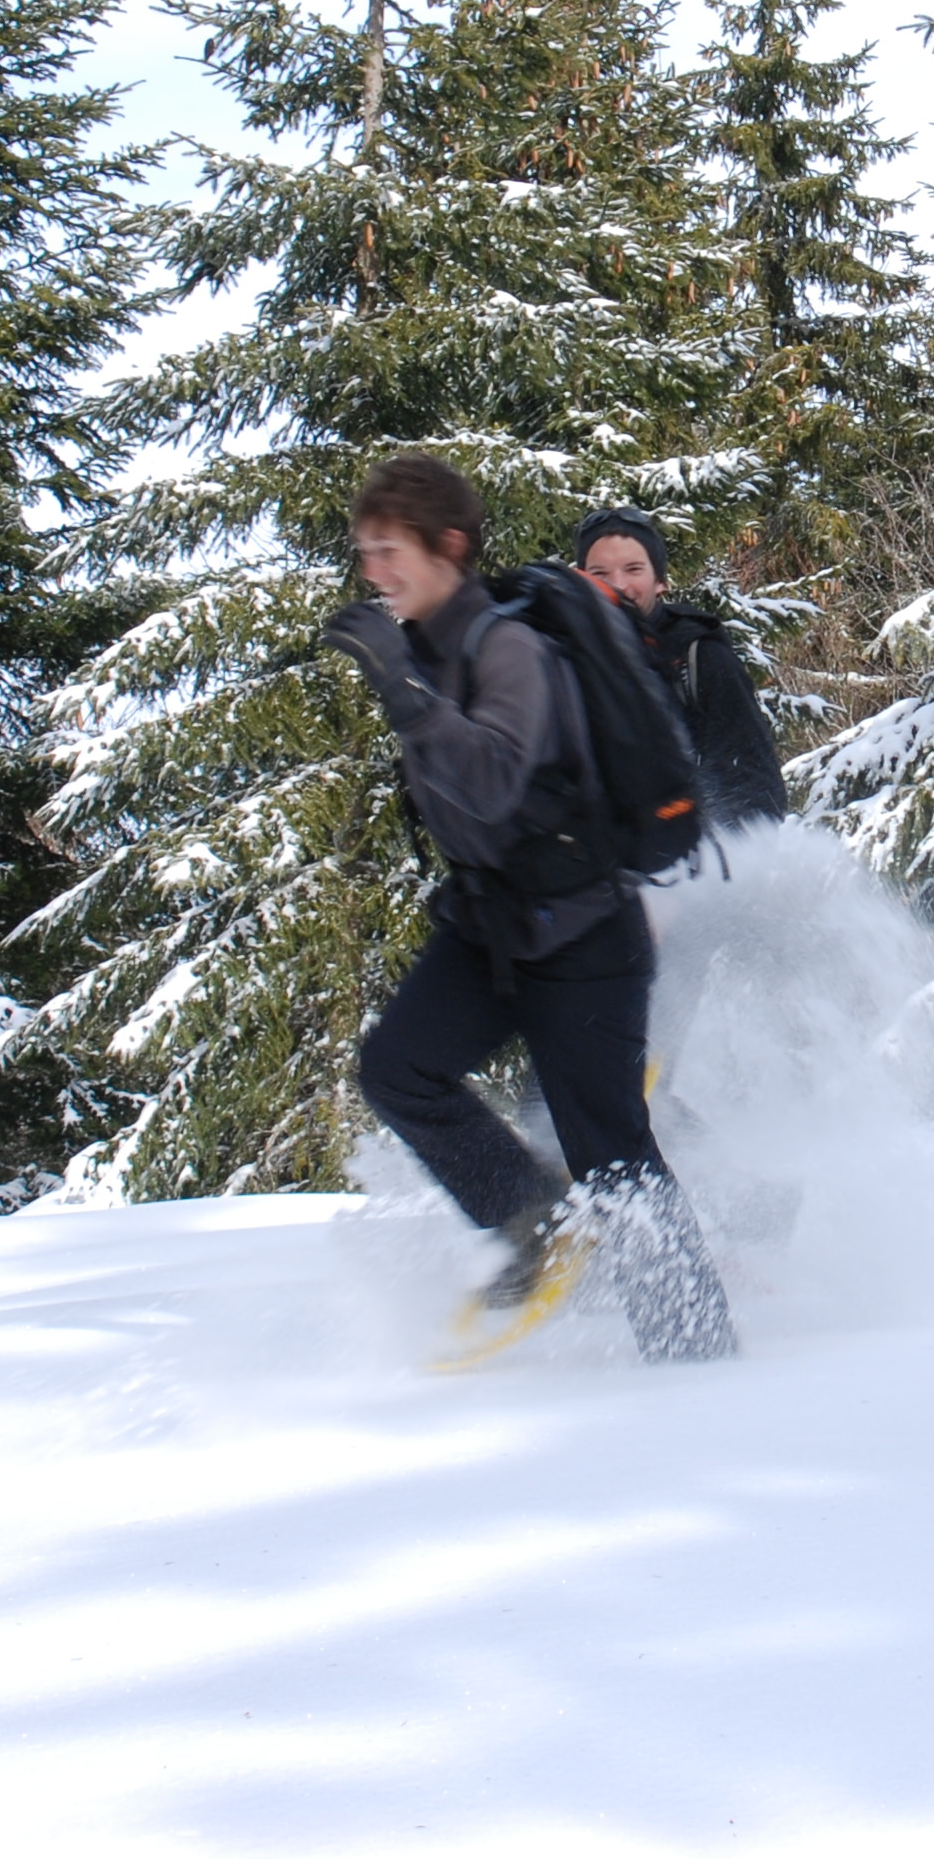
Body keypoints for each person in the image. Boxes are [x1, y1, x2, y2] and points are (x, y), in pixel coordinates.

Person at [317, 455, 735, 1360]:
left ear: (448, 545)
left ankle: (696, 1348)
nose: (373, 570)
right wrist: (409, 679)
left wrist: (404, 692)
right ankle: (529, 1218)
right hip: (492, 925)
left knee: (611, 1152)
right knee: (398, 1070)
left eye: (389, 550)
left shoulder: (509, 648)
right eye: (365, 552)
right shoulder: (430, 645)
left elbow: (495, 781)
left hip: (587, 938)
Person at [570, 504, 790, 825]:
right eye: (599, 574)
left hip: (692, 847)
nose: (618, 584)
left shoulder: (697, 656)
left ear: (660, 580)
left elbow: (754, 784)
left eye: (633, 569)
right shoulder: (563, 656)